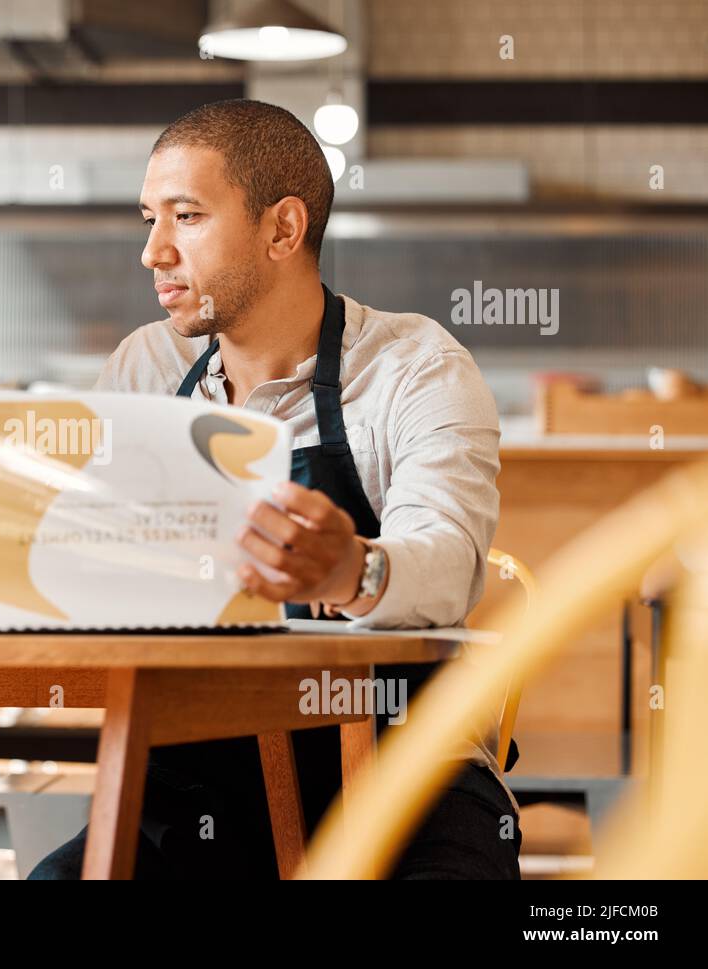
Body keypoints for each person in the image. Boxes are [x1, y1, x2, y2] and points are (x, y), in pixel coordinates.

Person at [30, 99, 519, 880]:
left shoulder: (415, 366)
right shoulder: (143, 370)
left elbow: (450, 559)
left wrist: (349, 569)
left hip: (401, 767)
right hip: (198, 769)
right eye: (149, 218)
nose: (153, 251)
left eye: (185, 216)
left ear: (283, 230)